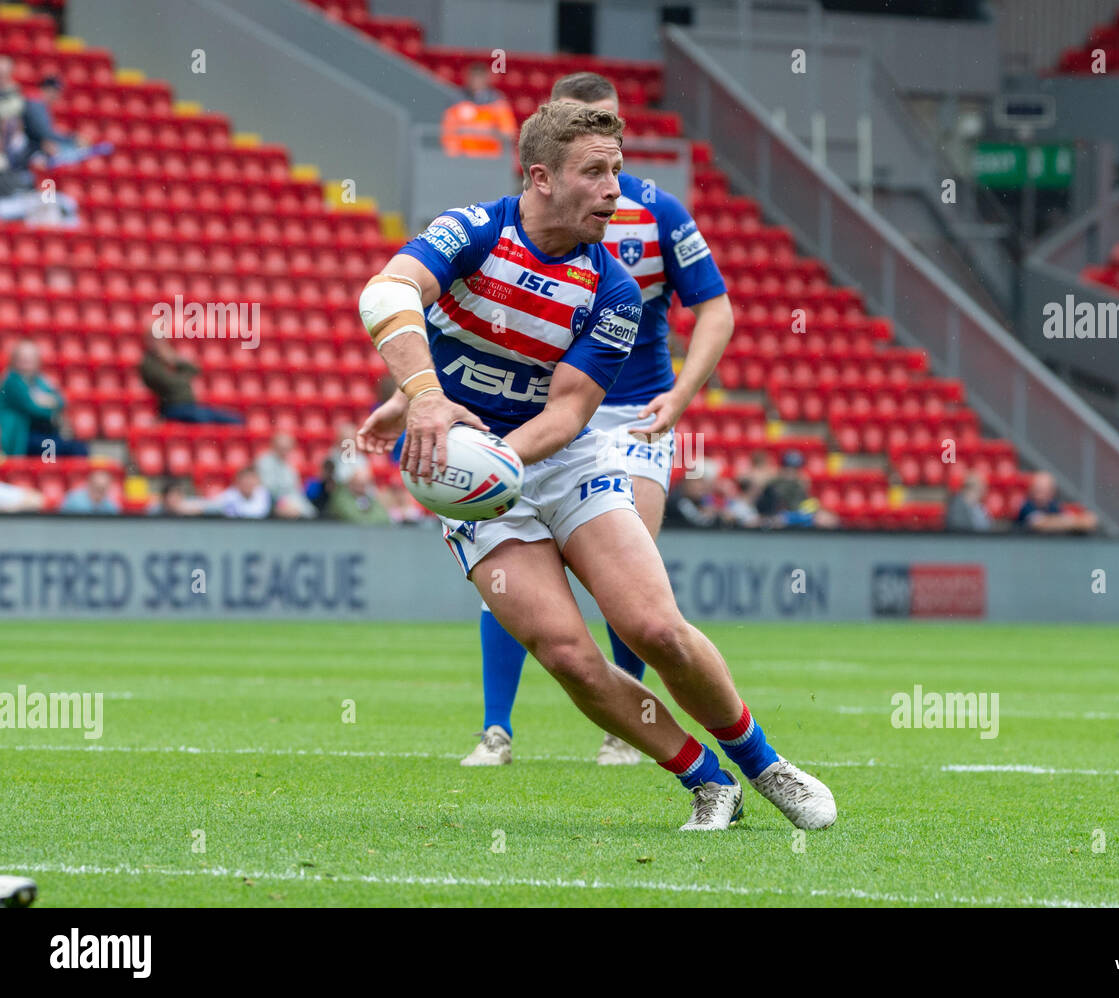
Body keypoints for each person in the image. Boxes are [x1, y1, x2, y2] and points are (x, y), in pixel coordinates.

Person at [355, 100, 834, 831]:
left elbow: (569, 414)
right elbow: (386, 292)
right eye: (596, 172)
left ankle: (765, 764)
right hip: (475, 476)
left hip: (559, 459)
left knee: (655, 629)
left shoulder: (613, 287)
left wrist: (487, 458)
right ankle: (708, 783)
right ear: (541, 177)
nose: (616, 190)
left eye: (617, 170)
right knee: (567, 654)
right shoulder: (473, 231)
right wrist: (421, 397)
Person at [452, 72, 736, 767]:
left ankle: (625, 729)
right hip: (544, 410)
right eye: (583, 129)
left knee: (629, 588)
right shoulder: (522, 218)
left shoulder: (658, 211)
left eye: (610, 130)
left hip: (632, 411)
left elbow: (717, 310)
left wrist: (683, 395)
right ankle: (497, 728)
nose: (604, 150)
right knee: (515, 575)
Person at [0, 339, 88, 457]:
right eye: (23, 359)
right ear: (15, 361)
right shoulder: (12, 381)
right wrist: (46, 402)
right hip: (21, 437)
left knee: (78, 447)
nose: (26, 363)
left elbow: (60, 401)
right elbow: (35, 409)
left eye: (30, 359)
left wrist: (45, 401)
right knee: (65, 448)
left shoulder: (39, 380)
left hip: (41, 433)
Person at [139, 330, 243, 424]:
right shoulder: (148, 363)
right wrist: (179, 372)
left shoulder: (168, 360)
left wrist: (175, 359)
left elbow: (194, 370)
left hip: (189, 406)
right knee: (204, 419)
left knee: (235, 419)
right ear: (149, 340)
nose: (162, 342)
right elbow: (171, 384)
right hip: (172, 408)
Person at [440, 63, 517, 157]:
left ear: (486, 78)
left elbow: (508, 132)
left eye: (479, 77)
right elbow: (449, 132)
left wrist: (489, 132)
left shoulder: (497, 102)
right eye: (473, 76)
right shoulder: (456, 101)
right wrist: (454, 155)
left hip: (490, 158)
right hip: (463, 158)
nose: (476, 80)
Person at [1015, 471, 1098, 533]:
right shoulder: (1026, 506)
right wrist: (1068, 522)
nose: (1041, 494)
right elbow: (1039, 524)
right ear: (1031, 490)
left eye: (1045, 490)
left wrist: (1068, 521)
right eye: (1038, 490)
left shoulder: (1053, 506)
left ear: (1052, 492)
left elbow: (1091, 520)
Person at [255, 433, 315, 518]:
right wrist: (284, 503)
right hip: (273, 503)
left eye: (287, 448)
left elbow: (296, 490)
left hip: (292, 500)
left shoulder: (290, 466)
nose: (284, 451)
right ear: (273, 446)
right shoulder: (264, 462)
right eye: (281, 448)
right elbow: (268, 490)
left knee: (311, 512)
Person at [326, 461, 390, 525]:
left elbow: (384, 517)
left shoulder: (369, 497)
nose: (363, 487)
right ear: (351, 483)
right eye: (359, 484)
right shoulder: (341, 497)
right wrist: (372, 521)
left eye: (365, 484)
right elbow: (354, 518)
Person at [206, 466, 270, 519]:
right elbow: (212, 505)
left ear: (258, 482)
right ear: (238, 482)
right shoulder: (230, 495)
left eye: (251, 480)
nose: (248, 483)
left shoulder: (264, 494)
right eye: (245, 480)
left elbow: (258, 511)